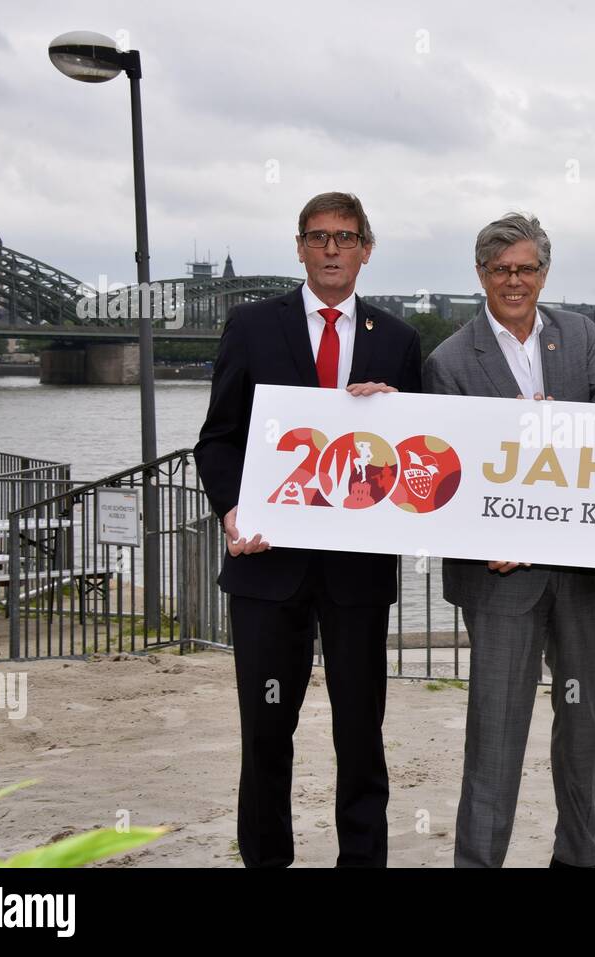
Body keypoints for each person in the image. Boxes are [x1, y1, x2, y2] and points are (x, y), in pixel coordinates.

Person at [194, 191, 421, 867]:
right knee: (265, 731)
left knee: (361, 734)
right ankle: (267, 860)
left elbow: (417, 456)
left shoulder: (399, 340)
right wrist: (234, 510)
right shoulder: (253, 326)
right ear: (299, 247)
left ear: (365, 250)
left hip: (357, 571)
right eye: (318, 237)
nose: (331, 250)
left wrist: (399, 415)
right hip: (268, 566)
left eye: (345, 238)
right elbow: (218, 439)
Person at [422, 212, 595, 867]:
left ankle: (578, 852)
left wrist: (560, 424)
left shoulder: (580, 335)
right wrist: (487, 533)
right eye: (502, 269)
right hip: (500, 577)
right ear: (482, 274)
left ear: (544, 272)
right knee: (496, 730)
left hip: (581, 570)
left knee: (583, 725)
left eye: (527, 268)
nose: (515, 280)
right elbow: (441, 471)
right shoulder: (449, 361)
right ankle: (478, 861)